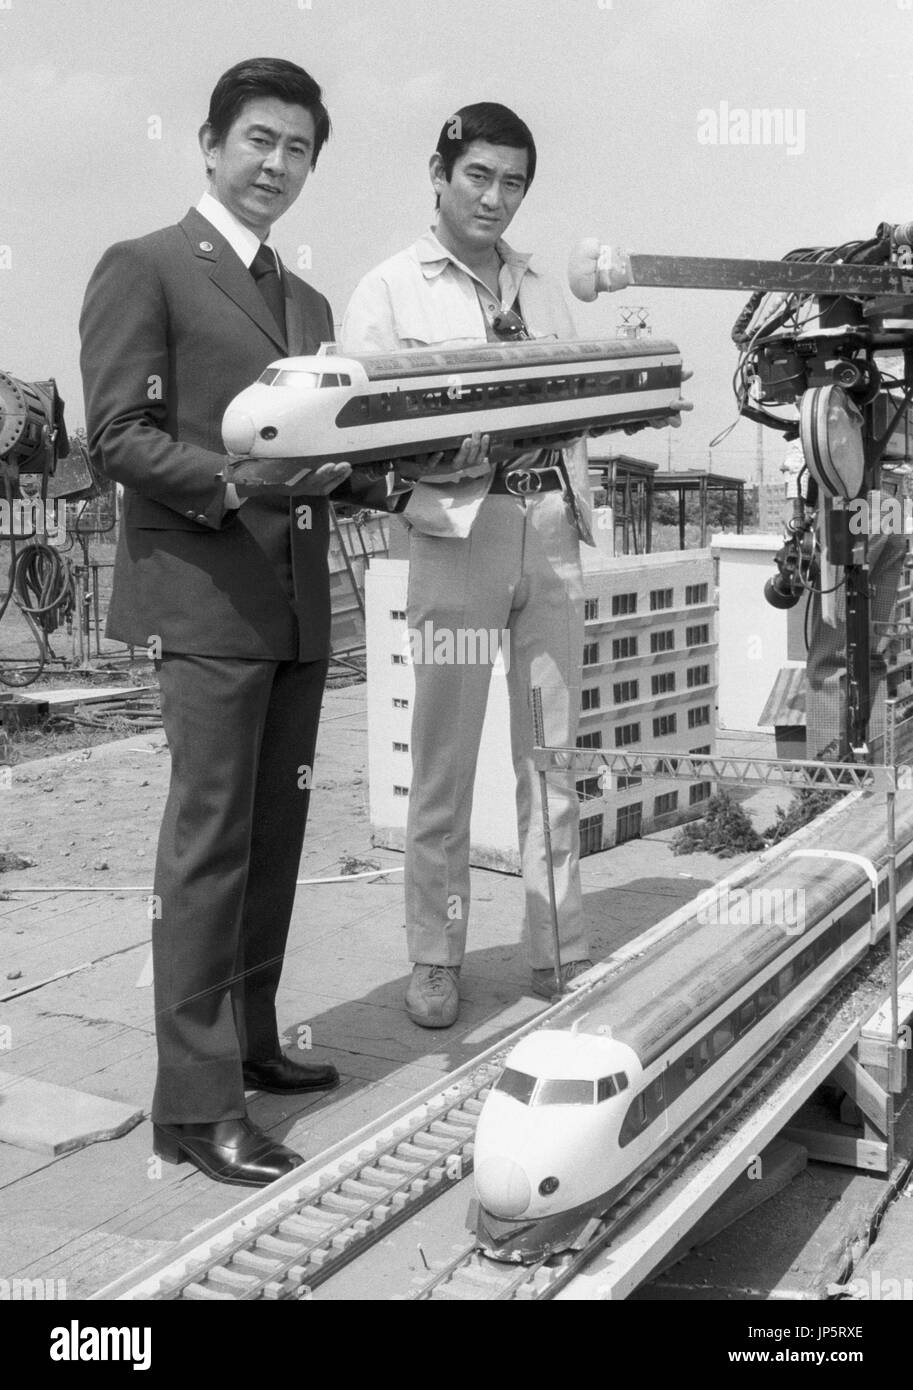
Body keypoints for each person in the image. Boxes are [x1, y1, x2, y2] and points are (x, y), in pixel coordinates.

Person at [80, 58, 406, 1186]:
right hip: (206, 600)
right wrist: (235, 484)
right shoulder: (148, 267)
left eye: (299, 150)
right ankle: (194, 1101)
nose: (277, 165)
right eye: (259, 140)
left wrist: (397, 479)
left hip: (299, 606)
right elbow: (116, 435)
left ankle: (253, 1038)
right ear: (211, 143)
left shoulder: (307, 304)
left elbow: (325, 458)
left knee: (274, 844)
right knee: (209, 849)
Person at [342, 102, 597, 1028]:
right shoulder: (389, 289)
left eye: (514, 182)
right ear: (439, 174)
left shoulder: (538, 284)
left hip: (551, 528)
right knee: (443, 768)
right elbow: (360, 435)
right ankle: (435, 956)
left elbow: (577, 392)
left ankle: (559, 949)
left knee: (551, 755)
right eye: (479, 176)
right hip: (457, 536)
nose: (495, 197)